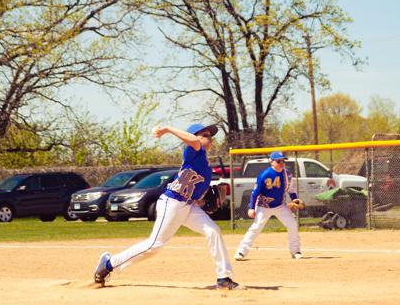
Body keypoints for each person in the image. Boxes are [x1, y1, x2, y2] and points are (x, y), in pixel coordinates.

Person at [93, 121, 239, 290]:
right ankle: (108, 264)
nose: (210, 139)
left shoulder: (205, 164)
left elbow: (193, 193)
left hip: (188, 205)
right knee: (153, 246)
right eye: (205, 135)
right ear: (195, 137)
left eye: (210, 136)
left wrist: (203, 201)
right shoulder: (193, 151)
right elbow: (193, 141)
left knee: (213, 231)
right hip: (172, 203)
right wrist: (168, 129)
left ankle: (224, 277)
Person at [234, 151, 302, 261]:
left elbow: (290, 189)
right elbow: (255, 193)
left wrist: (295, 199)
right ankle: (241, 251)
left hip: (280, 205)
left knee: (293, 225)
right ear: (271, 162)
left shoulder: (287, 175)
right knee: (256, 228)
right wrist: (251, 208)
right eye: (278, 161)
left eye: (283, 161)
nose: (281, 163)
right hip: (263, 205)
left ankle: (296, 251)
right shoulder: (264, 175)